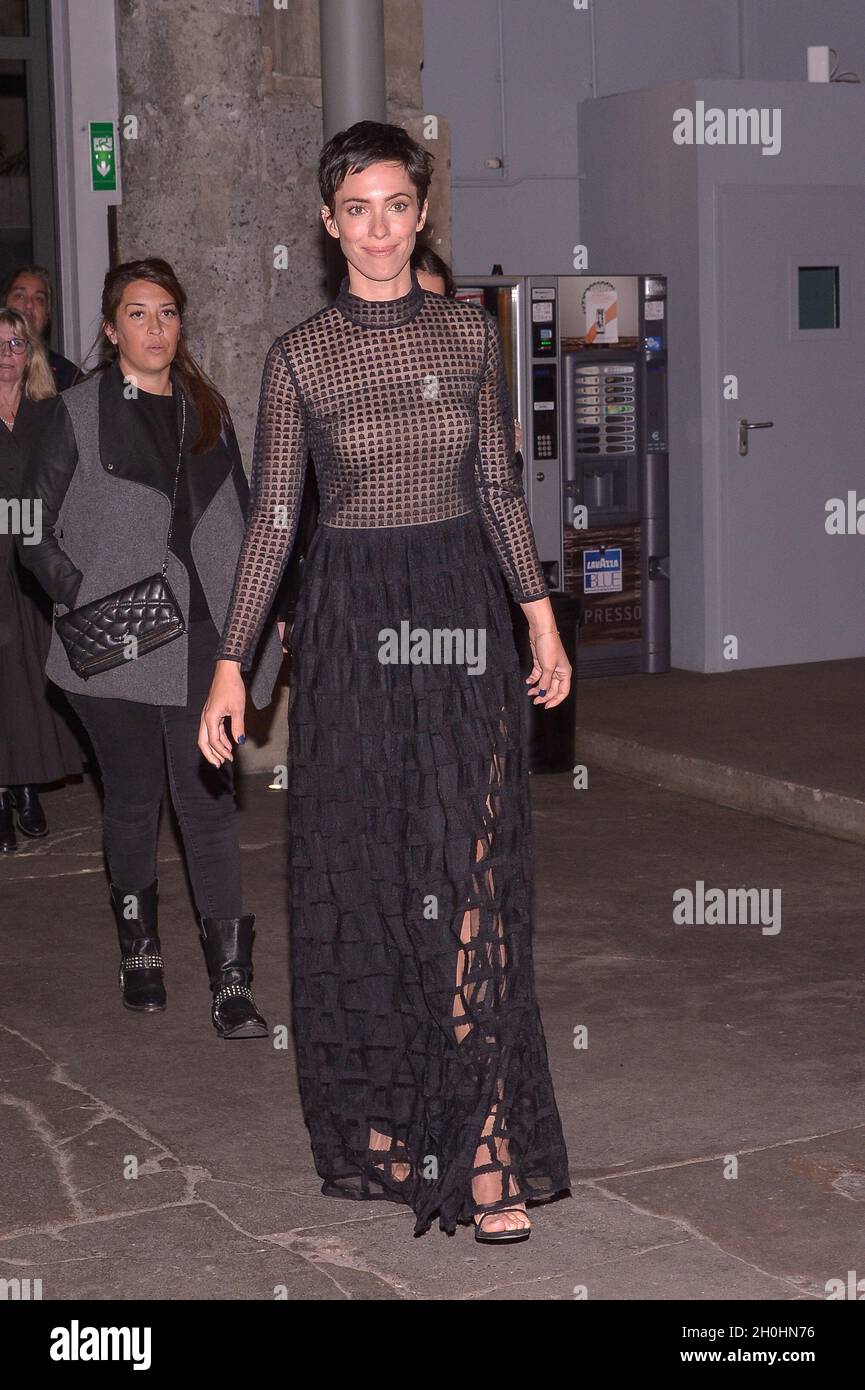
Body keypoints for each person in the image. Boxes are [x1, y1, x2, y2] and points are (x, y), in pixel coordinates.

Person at [200, 121, 572, 1241]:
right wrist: (234, 660)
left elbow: (499, 487)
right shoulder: (300, 358)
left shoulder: (465, 335)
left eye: (395, 205)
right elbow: (274, 518)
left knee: (472, 876)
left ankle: (491, 1143)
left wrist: (539, 617)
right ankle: (393, 1116)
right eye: (354, 209)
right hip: (353, 624)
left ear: (422, 214)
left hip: (462, 612)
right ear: (327, 223)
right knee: (366, 877)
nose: (376, 227)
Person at [19, 258, 284, 1037]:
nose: (156, 328)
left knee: (206, 805)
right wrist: (84, 597)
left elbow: (242, 515)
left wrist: (267, 612)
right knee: (133, 802)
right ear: (110, 328)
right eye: (138, 314)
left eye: (167, 313)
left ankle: (230, 982)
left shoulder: (207, 408)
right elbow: (29, 529)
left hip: (205, 640)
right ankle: (140, 951)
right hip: (121, 641)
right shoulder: (75, 412)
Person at [0, 308, 83, 851]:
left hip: (32, 560)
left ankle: (27, 785)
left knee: (32, 679)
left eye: (15, 342)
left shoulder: (49, 410)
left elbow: (68, 486)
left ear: (30, 351)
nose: (5, 352)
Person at [2, 265, 81, 391]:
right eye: (19, 296)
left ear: (47, 315)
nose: (28, 305)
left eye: (39, 299)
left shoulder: (68, 379)